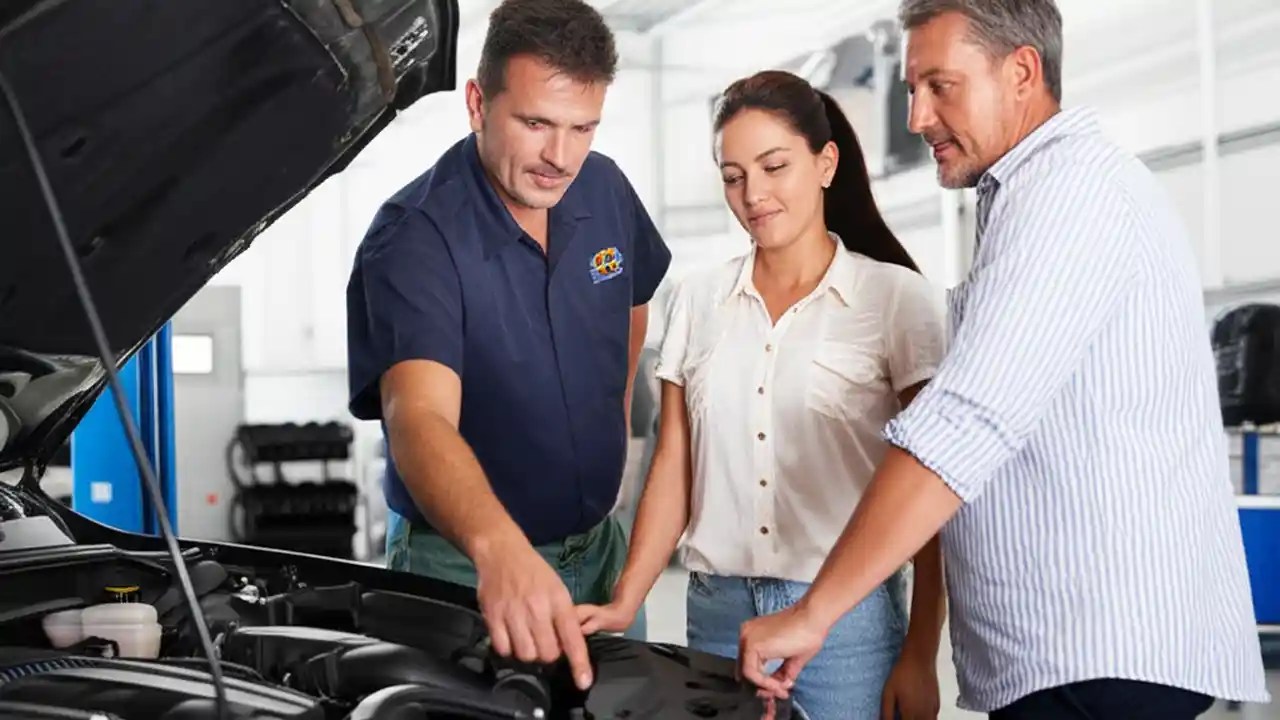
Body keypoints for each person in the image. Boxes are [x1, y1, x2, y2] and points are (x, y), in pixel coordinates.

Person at [736, 1, 1271, 719]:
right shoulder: (1025, 197)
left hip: (1099, 654)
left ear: (1022, 71)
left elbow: (964, 420)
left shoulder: (1071, 196)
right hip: (1069, 653)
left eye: (940, 86)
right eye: (911, 92)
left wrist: (815, 611)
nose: (919, 117)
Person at [575, 70, 948, 720]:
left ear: (825, 163)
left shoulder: (898, 302)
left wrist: (919, 652)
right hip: (717, 617)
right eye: (733, 175)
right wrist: (629, 596)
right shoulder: (696, 301)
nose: (754, 194)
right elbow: (673, 467)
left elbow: (933, 488)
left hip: (845, 630)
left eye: (774, 167)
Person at [344, 0, 671, 692]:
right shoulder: (415, 237)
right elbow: (419, 417)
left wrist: (607, 421)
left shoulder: (606, 188)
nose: (562, 157)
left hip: (602, 559)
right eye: (536, 124)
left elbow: (632, 309)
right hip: (465, 570)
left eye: (583, 128)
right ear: (476, 103)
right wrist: (500, 551)